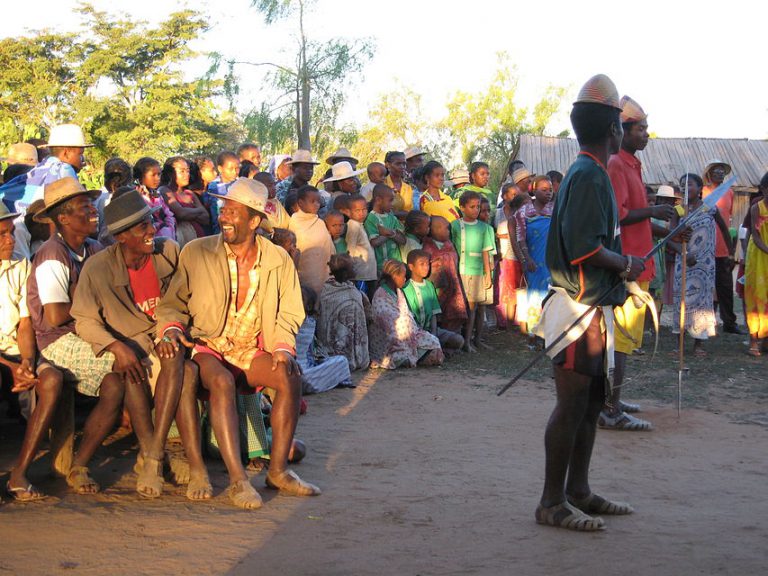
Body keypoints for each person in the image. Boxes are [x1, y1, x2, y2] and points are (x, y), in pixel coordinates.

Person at [156, 177, 319, 509]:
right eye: (223, 209)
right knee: (221, 381)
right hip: (207, 344)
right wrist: (171, 329)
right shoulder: (197, 251)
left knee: (289, 375)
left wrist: (282, 346)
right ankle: (238, 480)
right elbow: (172, 303)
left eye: (233, 211)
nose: (224, 217)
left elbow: (290, 311)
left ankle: (278, 472)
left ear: (255, 221)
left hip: (249, 345)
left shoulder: (278, 259)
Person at [535, 74, 644, 532]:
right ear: (613, 130)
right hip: (577, 312)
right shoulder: (587, 175)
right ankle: (551, 503)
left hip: (592, 309)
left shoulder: (590, 172)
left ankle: (578, 492)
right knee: (571, 404)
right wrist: (626, 263)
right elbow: (584, 249)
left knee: (592, 401)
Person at [70, 189, 210, 500]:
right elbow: (84, 320)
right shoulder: (98, 268)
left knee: (178, 360)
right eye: (142, 227)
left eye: (151, 222)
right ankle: (158, 452)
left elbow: (187, 298)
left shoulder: (168, 251)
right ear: (121, 237)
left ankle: (157, 455)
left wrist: (170, 329)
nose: (152, 231)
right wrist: (115, 346)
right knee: (134, 366)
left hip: (166, 337)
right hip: (129, 346)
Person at [26, 177, 142, 495]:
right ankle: (150, 449)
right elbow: (54, 315)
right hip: (56, 341)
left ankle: (80, 464)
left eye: (92, 205)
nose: (93, 212)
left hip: (84, 332)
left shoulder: (92, 248)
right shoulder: (53, 255)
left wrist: (85, 296)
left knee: (116, 382)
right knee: (127, 365)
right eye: (84, 207)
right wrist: (86, 298)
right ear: (63, 218)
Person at [600, 96, 676, 430]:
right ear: (623, 130)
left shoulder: (632, 163)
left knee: (627, 339)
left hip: (641, 262)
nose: (646, 134)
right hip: (627, 263)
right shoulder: (617, 163)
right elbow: (618, 214)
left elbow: (638, 217)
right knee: (620, 339)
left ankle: (614, 399)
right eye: (641, 129)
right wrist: (653, 211)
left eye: (646, 128)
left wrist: (667, 231)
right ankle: (610, 409)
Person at [2, 202, 54, 501]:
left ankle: (20, 473)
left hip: (15, 351)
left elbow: (25, 322)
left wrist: (25, 361)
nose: (10, 240)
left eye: (11, 233)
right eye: (2, 235)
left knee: (47, 380)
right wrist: (9, 367)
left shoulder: (20, 266)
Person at [368, 259, 443, 369]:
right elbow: (388, 322)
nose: (405, 279)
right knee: (403, 356)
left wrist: (410, 329)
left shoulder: (399, 292)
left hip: (410, 336)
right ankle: (408, 357)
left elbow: (407, 315)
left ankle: (413, 355)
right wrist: (405, 326)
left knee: (433, 342)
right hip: (390, 340)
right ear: (394, 276)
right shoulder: (381, 294)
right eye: (403, 276)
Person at [0, 124, 92, 213]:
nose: (82, 159)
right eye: (80, 154)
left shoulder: (38, 169)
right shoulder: (64, 169)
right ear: (66, 153)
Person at [702, 159, 744, 334]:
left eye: (722, 171)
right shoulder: (702, 192)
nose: (720, 173)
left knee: (725, 287)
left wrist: (731, 251)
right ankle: (707, 322)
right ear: (709, 173)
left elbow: (728, 221)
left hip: (723, 248)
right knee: (706, 286)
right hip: (705, 247)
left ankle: (729, 323)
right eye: (716, 170)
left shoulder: (729, 192)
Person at [451, 190, 496, 352]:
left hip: (480, 272)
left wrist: (488, 275)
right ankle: (467, 341)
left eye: (478, 207)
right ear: (462, 207)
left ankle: (477, 339)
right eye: (472, 207)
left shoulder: (484, 228)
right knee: (471, 308)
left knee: (481, 307)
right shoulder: (455, 225)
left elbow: (485, 252)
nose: (476, 210)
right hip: (464, 271)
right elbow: (452, 248)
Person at [514, 175, 554, 338]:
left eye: (550, 190)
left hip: (551, 261)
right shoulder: (523, 212)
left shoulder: (554, 210)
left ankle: (549, 333)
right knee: (535, 296)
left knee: (552, 296)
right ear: (534, 191)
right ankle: (535, 335)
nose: (548, 193)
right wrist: (527, 259)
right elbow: (520, 238)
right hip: (534, 262)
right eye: (544, 190)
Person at [403, 250, 464, 353]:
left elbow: (433, 315)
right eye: (422, 264)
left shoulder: (429, 286)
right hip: (414, 333)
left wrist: (434, 334)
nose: (426, 267)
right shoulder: (405, 288)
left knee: (459, 340)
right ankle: (434, 350)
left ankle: (437, 349)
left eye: (427, 264)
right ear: (411, 267)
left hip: (430, 330)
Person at [317, 253, 370, 371]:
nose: (356, 268)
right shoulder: (350, 293)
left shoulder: (327, 290)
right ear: (346, 273)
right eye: (353, 266)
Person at [295, 286, 353, 393]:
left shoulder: (307, 322)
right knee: (341, 361)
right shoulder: (306, 322)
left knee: (341, 360)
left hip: (301, 371)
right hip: (301, 373)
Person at [422, 215, 467, 333]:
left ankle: (453, 338)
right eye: (446, 228)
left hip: (452, 285)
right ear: (436, 229)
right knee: (436, 314)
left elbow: (454, 259)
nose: (449, 231)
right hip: (435, 288)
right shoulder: (427, 246)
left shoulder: (449, 245)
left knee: (452, 313)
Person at [289, 185, 335, 299]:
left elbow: (329, 247)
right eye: (312, 201)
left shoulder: (320, 222)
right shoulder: (295, 222)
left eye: (318, 201)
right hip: (306, 275)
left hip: (324, 273)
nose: (317, 204)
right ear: (300, 203)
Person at [494, 186, 526, 329]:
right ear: (504, 196)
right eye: (513, 194)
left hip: (519, 256)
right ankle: (505, 321)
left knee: (519, 288)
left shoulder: (522, 214)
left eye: (517, 194)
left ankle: (517, 320)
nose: (515, 197)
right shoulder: (498, 214)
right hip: (505, 256)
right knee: (507, 290)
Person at [159, 157, 209, 248]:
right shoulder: (165, 191)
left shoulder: (189, 193)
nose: (187, 174)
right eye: (182, 171)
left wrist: (187, 213)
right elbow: (180, 214)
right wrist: (199, 211)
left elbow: (206, 218)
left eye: (188, 171)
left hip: (199, 243)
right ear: (171, 174)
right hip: (183, 244)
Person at [744, 172, 768, 355]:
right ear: (763, 189)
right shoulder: (756, 208)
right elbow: (756, 235)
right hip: (759, 255)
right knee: (755, 295)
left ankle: (765, 340)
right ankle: (753, 340)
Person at [339, 193, 377, 294]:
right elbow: (350, 249)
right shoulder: (353, 225)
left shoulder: (360, 224)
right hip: (360, 274)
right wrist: (350, 270)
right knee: (362, 297)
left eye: (364, 209)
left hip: (366, 273)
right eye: (357, 210)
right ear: (348, 212)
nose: (361, 213)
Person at [365, 184, 405, 274]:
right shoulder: (371, 218)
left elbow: (403, 240)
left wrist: (389, 233)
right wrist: (391, 234)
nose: (392, 204)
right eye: (390, 200)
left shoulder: (391, 216)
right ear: (378, 200)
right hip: (382, 268)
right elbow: (374, 242)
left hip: (397, 264)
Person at [133, 157, 176, 240]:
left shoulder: (157, 195)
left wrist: (168, 227)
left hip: (168, 237)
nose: (158, 178)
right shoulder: (136, 196)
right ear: (141, 176)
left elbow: (168, 214)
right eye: (153, 175)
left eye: (159, 174)